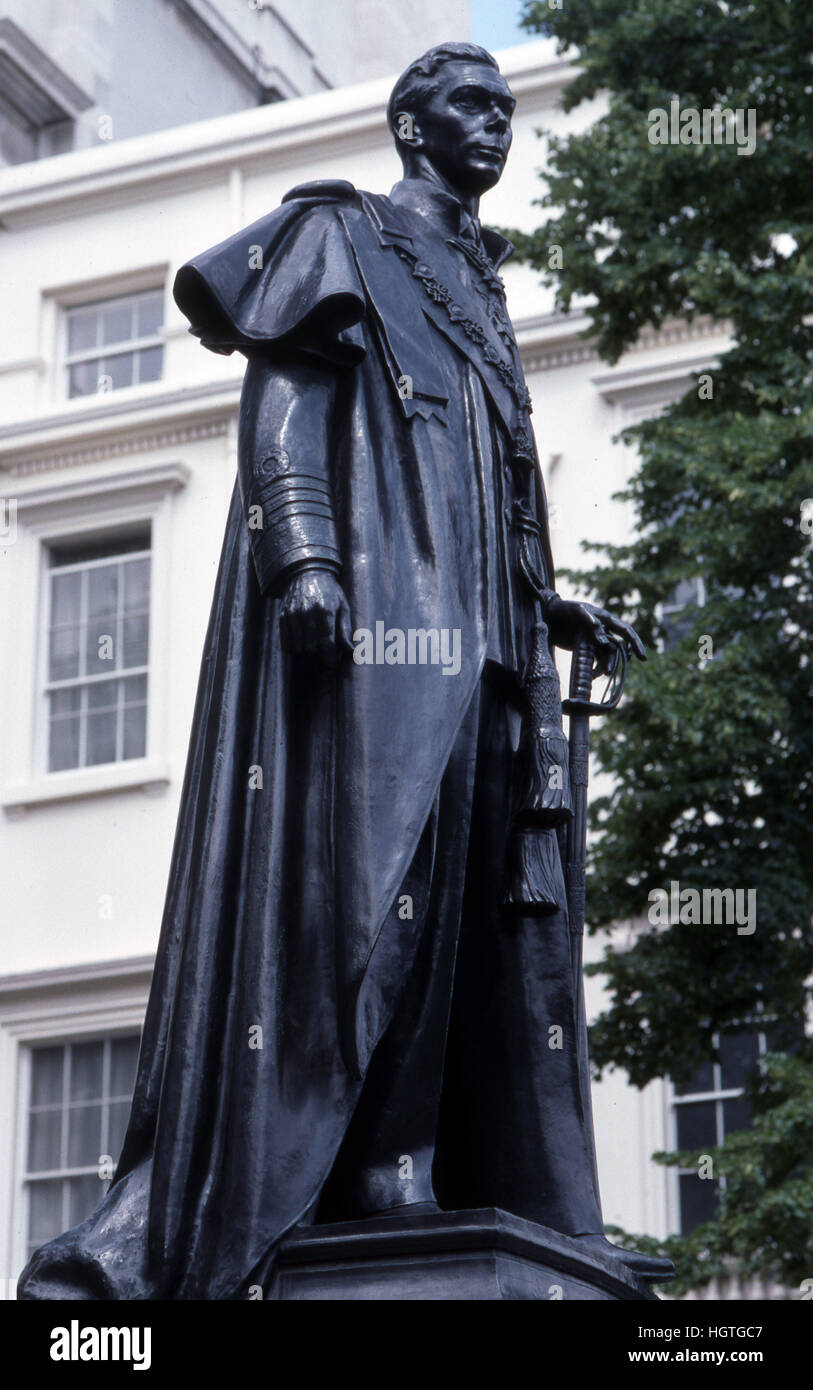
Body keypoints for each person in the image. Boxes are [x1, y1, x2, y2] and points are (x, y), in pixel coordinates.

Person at [18, 42, 671, 1300]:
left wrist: (550, 604)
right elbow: (284, 403)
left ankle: (469, 1180)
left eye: (505, 109)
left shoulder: (482, 299)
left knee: (491, 909)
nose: (498, 126)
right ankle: (372, 1170)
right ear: (413, 127)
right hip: (383, 639)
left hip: (491, 653)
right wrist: (305, 555)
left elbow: (495, 498)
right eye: (471, 107)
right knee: (384, 899)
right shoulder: (342, 233)